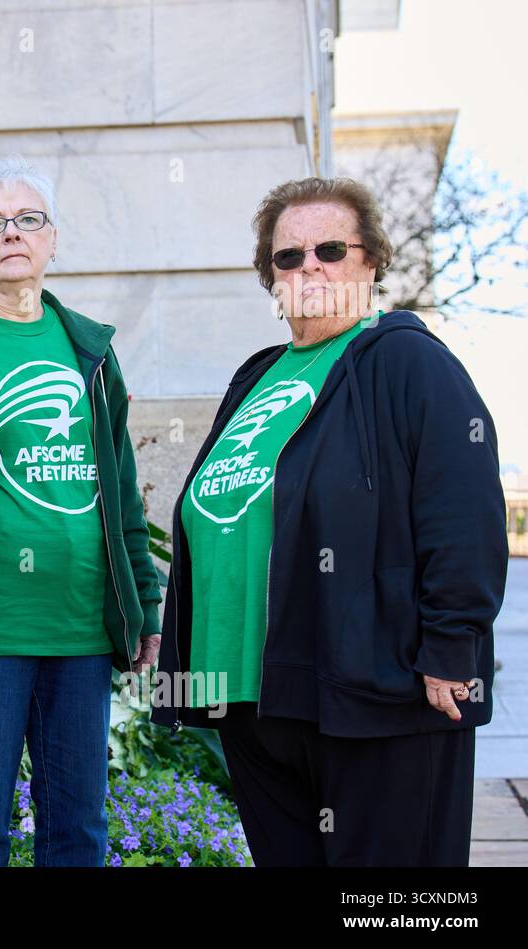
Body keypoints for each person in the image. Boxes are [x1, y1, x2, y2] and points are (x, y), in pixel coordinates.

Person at [151, 176, 508, 866]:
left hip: (376, 688)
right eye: (289, 256)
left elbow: (462, 508)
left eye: (329, 249)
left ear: (369, 261)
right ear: (271, 278)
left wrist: (453, 644)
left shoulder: (407, 361)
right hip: (251, 697)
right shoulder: (256, 378)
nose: (308, 265)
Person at [0, 156, 163, 867]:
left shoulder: (91, 353)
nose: (11, 233)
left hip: (80, 629)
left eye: (28, 219)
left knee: (78, 833)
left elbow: (122, 491)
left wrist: (145, 603)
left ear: (51, 239)